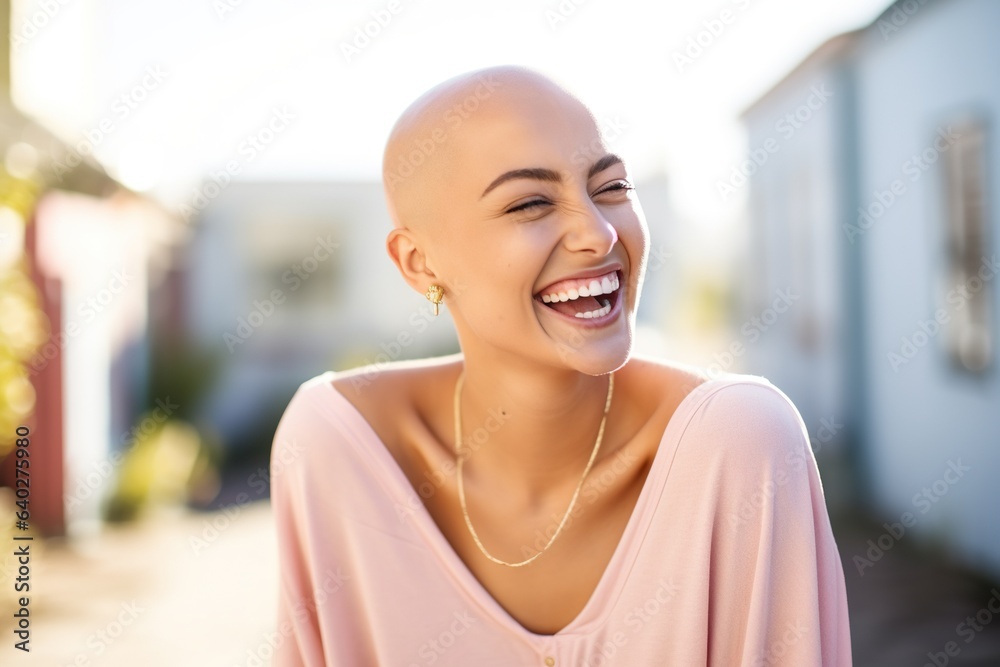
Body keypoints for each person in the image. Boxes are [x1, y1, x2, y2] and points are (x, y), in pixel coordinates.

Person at [270, 65, 852, 666]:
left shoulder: (738, 443)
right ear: (419, 263)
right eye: (529, 203)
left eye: (612, 188)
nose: (598, 235)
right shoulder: (336, 447)